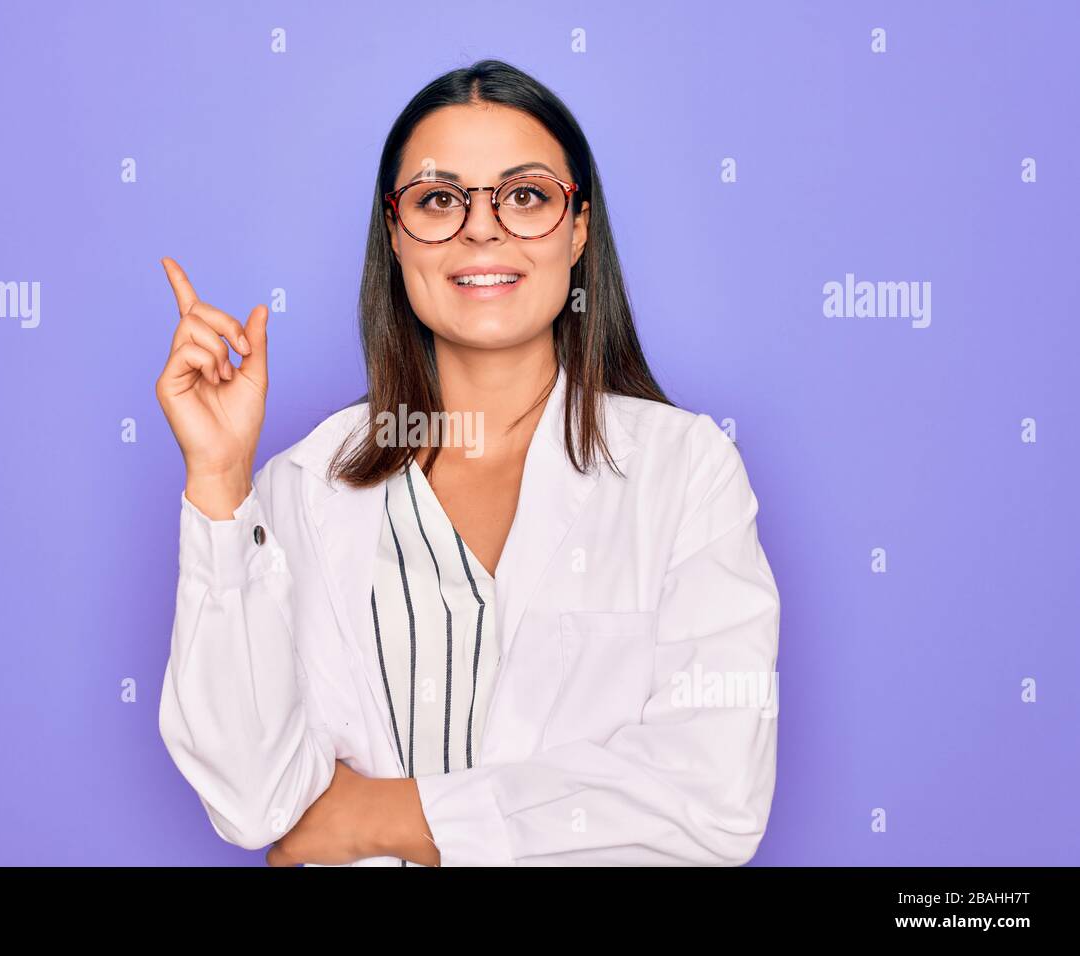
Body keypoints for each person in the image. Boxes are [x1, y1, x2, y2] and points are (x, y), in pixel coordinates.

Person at [154, 59, 781, 867]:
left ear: (578, 227)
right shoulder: (301, 490)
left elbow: (714, 799)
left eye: (525, 196)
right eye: (439, 199)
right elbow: (251, 799)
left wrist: (377, 815)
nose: (481, 230)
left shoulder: (685, 470)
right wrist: (217, 485)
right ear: (394, 231)